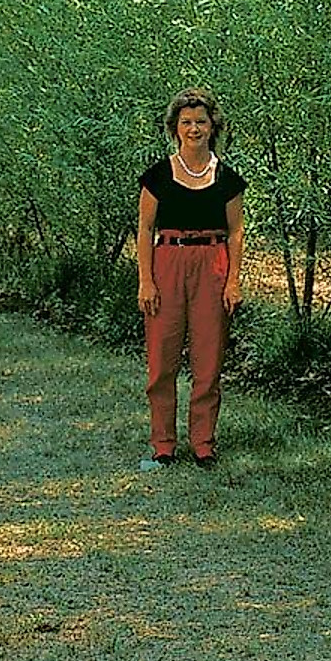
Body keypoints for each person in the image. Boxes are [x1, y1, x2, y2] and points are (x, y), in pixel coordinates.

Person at [137, 87, 246, 470]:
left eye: (201, 121)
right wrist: (146, 281)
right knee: (161, 361)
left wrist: (232, 281)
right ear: (175, 127)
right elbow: (145, 229)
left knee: (208, 360)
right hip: (167, 263)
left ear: (212, 125)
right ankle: (163, 446)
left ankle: (203, 445)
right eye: (186, 122)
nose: (194, 128)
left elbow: (235, 232)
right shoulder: (157, 176)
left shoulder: (228, 179)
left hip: (212, 265)